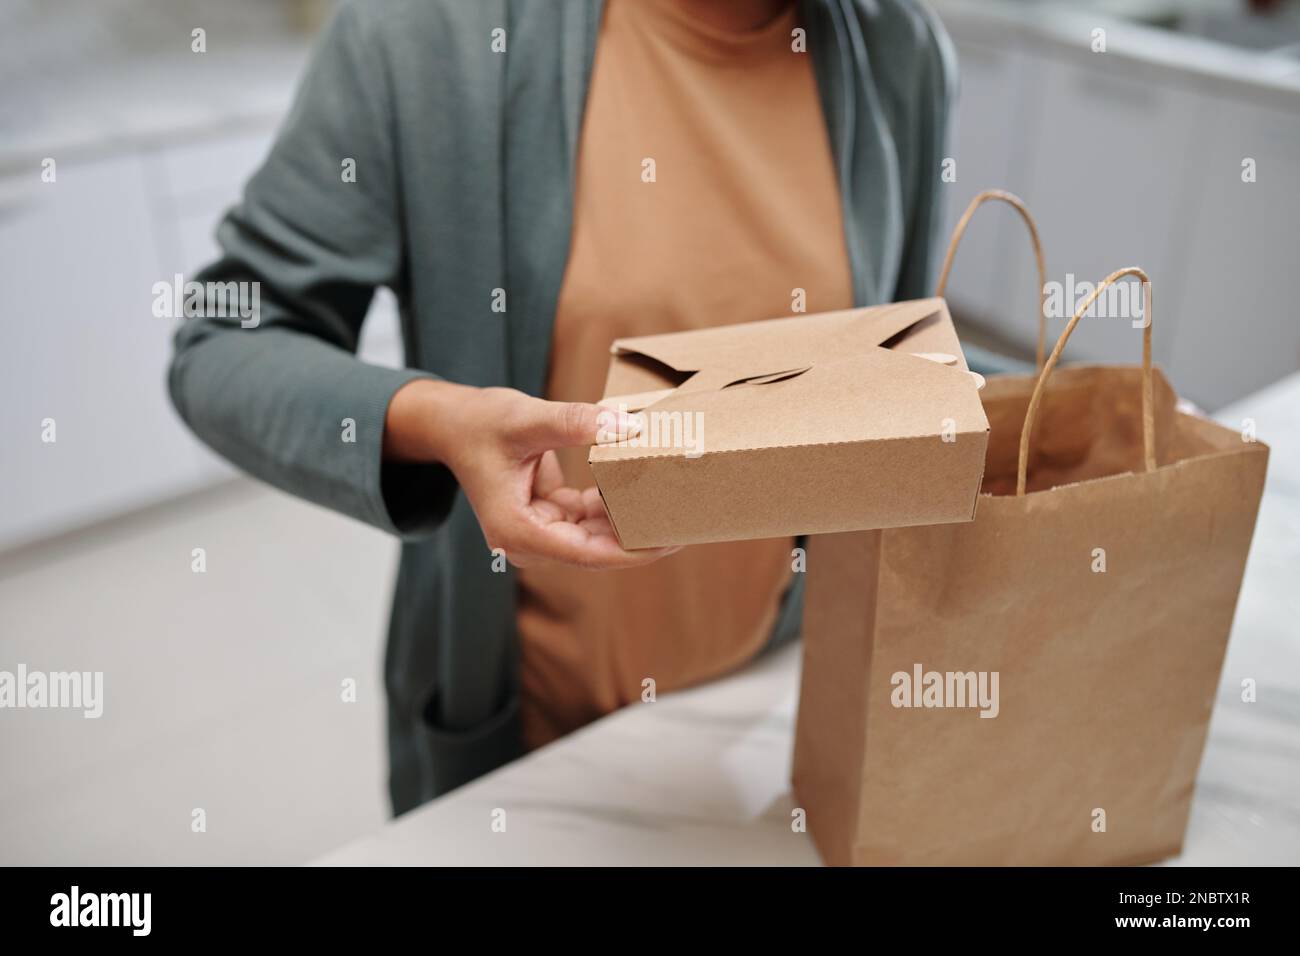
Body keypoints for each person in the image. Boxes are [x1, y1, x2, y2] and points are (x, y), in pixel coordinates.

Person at [168, 0, 954, 815]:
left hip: (777, 694)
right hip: (531, 731)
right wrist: (434, 415)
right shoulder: (428, 36)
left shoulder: (901, 52)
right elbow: (223, 343)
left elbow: (886, 370)